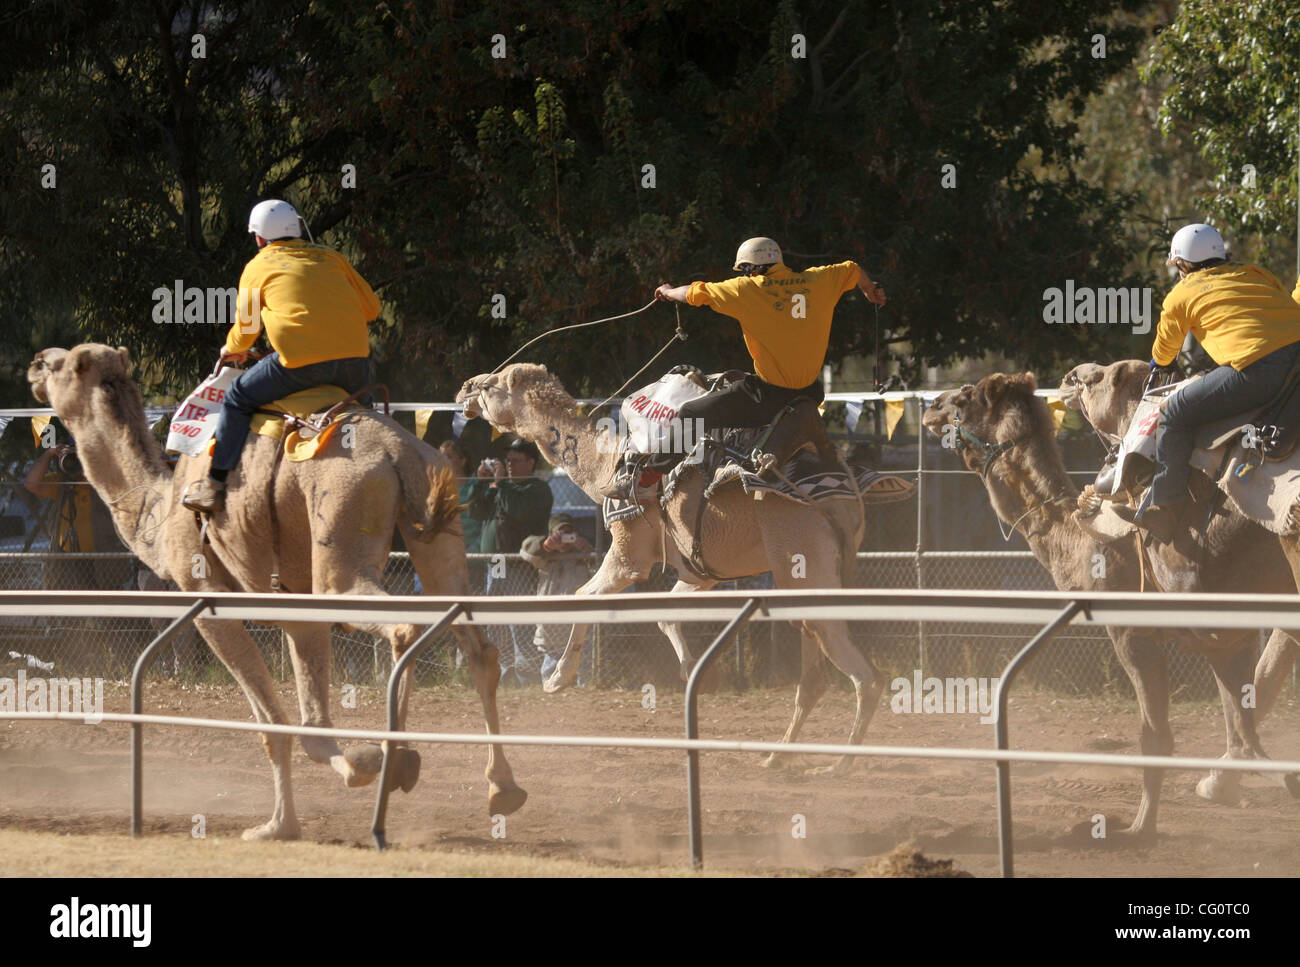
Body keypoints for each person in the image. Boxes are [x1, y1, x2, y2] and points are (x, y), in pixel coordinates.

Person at [601, 237, 887, 499]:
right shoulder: (819, 280)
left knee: (692, 413)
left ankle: (645, 479)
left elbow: (695, 293)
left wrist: (667, 291)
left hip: (768, 398)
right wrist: (870, 289)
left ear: (752, 269)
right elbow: (853, 268)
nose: (745, 275)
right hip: (812, 394)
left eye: (745, 270)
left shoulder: (747, 290)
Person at [182, 199, 380, 513]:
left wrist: (232, 348)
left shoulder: (257, 266)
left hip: (299, 363)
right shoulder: (332, 256)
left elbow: (246, 329)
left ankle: (214, 485)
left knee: (236, 397)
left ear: (259, 238)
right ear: (298, 228)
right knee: (371, 421)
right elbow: (373, 309)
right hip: (354, 363)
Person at [1127, 223, 1300, 542]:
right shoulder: (1254, 271)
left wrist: (1158, 362)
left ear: (1183, 265)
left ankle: (1165, 507)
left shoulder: (1180, 294)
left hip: (1260, 368)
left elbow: (1166, 349)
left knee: (1174, 412)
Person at [467, 439, 553, 684]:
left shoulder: (536, 489)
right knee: (496, 623)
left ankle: (527, 677)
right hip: (495, 563)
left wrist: (502, 482)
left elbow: (516, 509)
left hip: (519, 565)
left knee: (520, 622)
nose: (510, 465)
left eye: (516, 461)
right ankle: (504, 674)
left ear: (531, 463)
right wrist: (480, 482)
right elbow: (475, 511)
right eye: (507, 461)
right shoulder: (502, 487)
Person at [519, 513, 594, 684]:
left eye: (569, 534)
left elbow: (600, 571)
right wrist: (546, 545)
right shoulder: (545, 558)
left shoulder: (583, 557)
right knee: (551, 669)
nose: (566, 540)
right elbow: (526, 549)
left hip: (578, 626)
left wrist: (587, 550)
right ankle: (551, 692)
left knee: (583, 666)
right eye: (561, 534)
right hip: (551, 627)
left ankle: (585, 691)